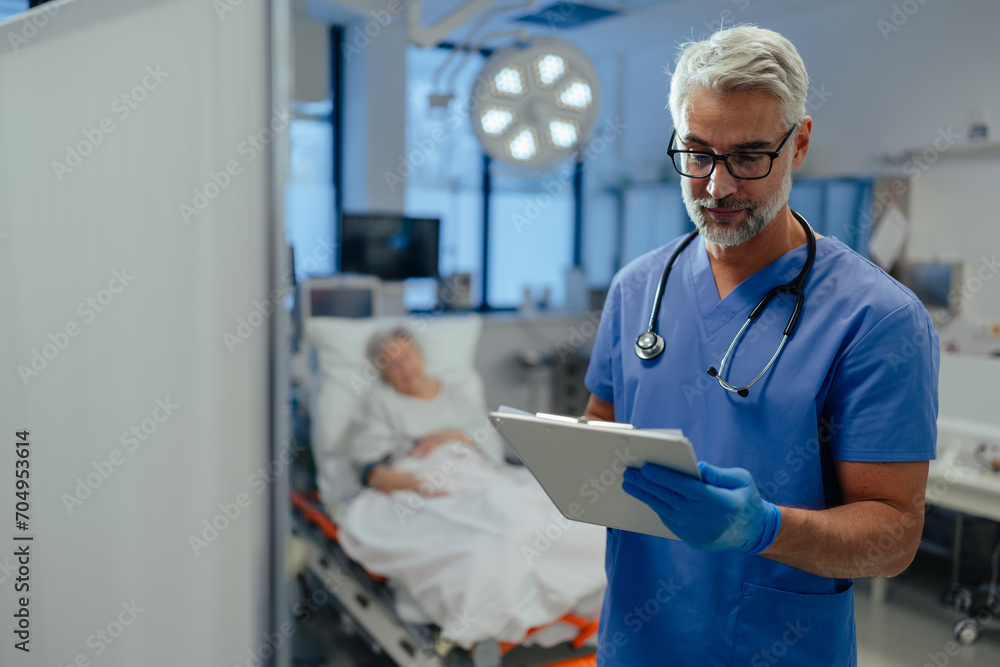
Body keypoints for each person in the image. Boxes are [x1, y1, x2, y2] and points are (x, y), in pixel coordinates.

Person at [583, 26, 939, 666]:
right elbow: (601, 427)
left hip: (776, 644)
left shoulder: (878, 318)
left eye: (749, 156)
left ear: (798, 143)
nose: (717, 187)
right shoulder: (638, 288)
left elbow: (893, 537)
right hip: (637, 639)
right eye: (697, 154)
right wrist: (569, 461)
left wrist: (766, 528)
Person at [336, 327, 606, 650]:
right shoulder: (380, 401)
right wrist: (418, 484)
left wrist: (447, 435)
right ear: (382, 372)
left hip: (477, 472)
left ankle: (567, 574)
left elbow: (484, 447)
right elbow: (371, 470)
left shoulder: (454, 393)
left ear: (419, 355)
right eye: (391, 364)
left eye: (407, 356)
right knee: (496, 519)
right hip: (421, 480)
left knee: (524, 499)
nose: (404, 367)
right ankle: (513, 561)